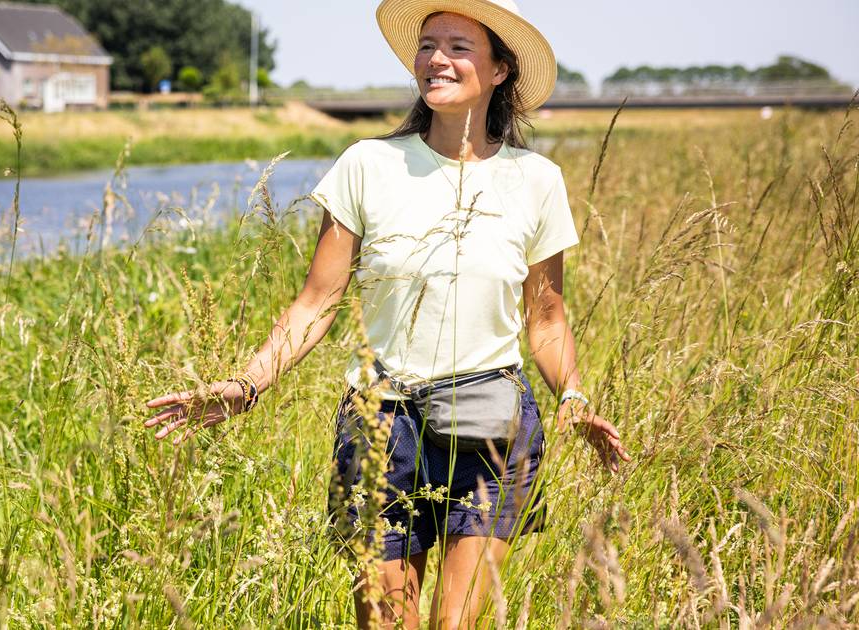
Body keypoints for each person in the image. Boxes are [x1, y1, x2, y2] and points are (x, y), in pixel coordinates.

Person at [145, 0, 631, 626]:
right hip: (381, 424)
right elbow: (317, 301)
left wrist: (572, 396)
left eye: (458, 46)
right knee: (383, 622)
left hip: (492, 418)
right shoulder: (367, 165)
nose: (436, 59)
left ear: (501, 71)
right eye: (427, 45)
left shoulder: (536, 179)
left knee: (455, 624)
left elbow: (546, 317)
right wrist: (247, 384)